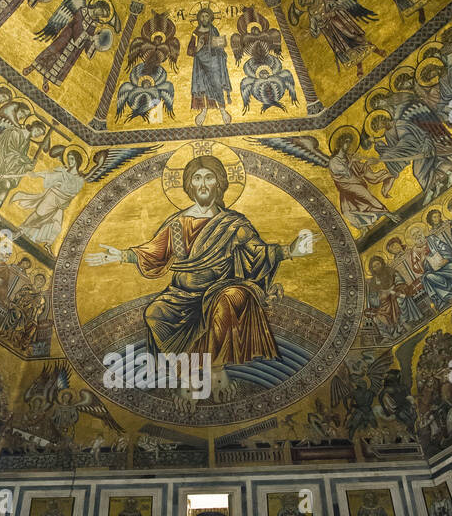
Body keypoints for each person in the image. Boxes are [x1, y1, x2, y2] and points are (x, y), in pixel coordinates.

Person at [85, 156, 314, 376]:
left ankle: (215, 369)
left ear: (219, 184)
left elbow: (257, 251)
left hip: (219, 288)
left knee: (232, 297)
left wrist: (289, 251)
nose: (202, 184)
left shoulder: (233, 223)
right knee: (154, 313)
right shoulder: (178, 223)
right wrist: (122, 256)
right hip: (182, 294)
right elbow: (156, 252)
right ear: (189, 186)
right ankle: (184, 370)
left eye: (208, 177)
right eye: (197, 178)